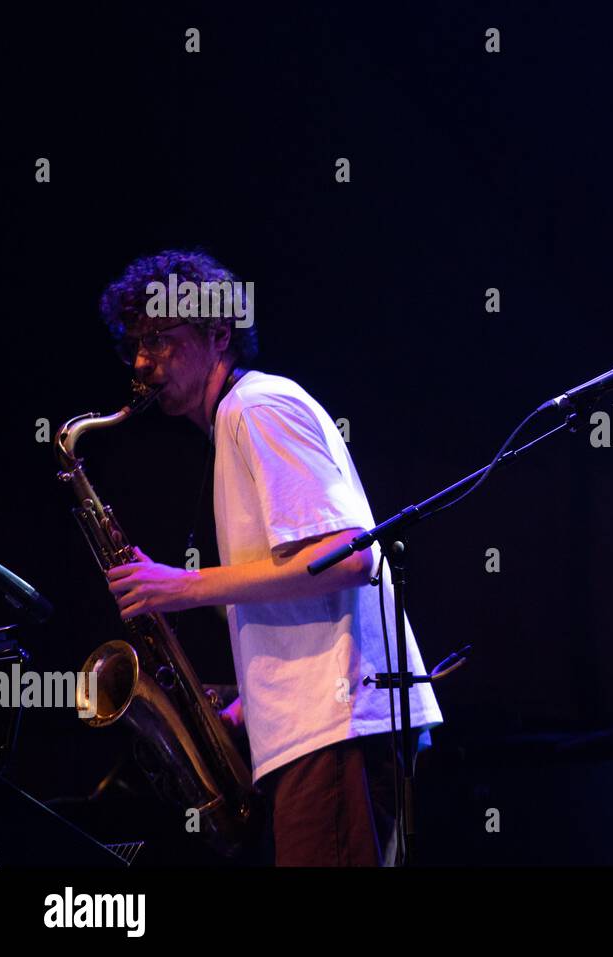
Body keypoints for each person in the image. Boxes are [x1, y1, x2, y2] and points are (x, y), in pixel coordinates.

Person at [98, 249, 442, 865]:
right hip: (319, 728)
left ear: (218, 332)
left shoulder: (257, 408)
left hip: (335, 725)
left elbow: (348, 558)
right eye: (134, 345)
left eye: (159, 340)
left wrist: (181, 586)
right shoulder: (238, 419)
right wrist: (241, 710)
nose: (144, 363)